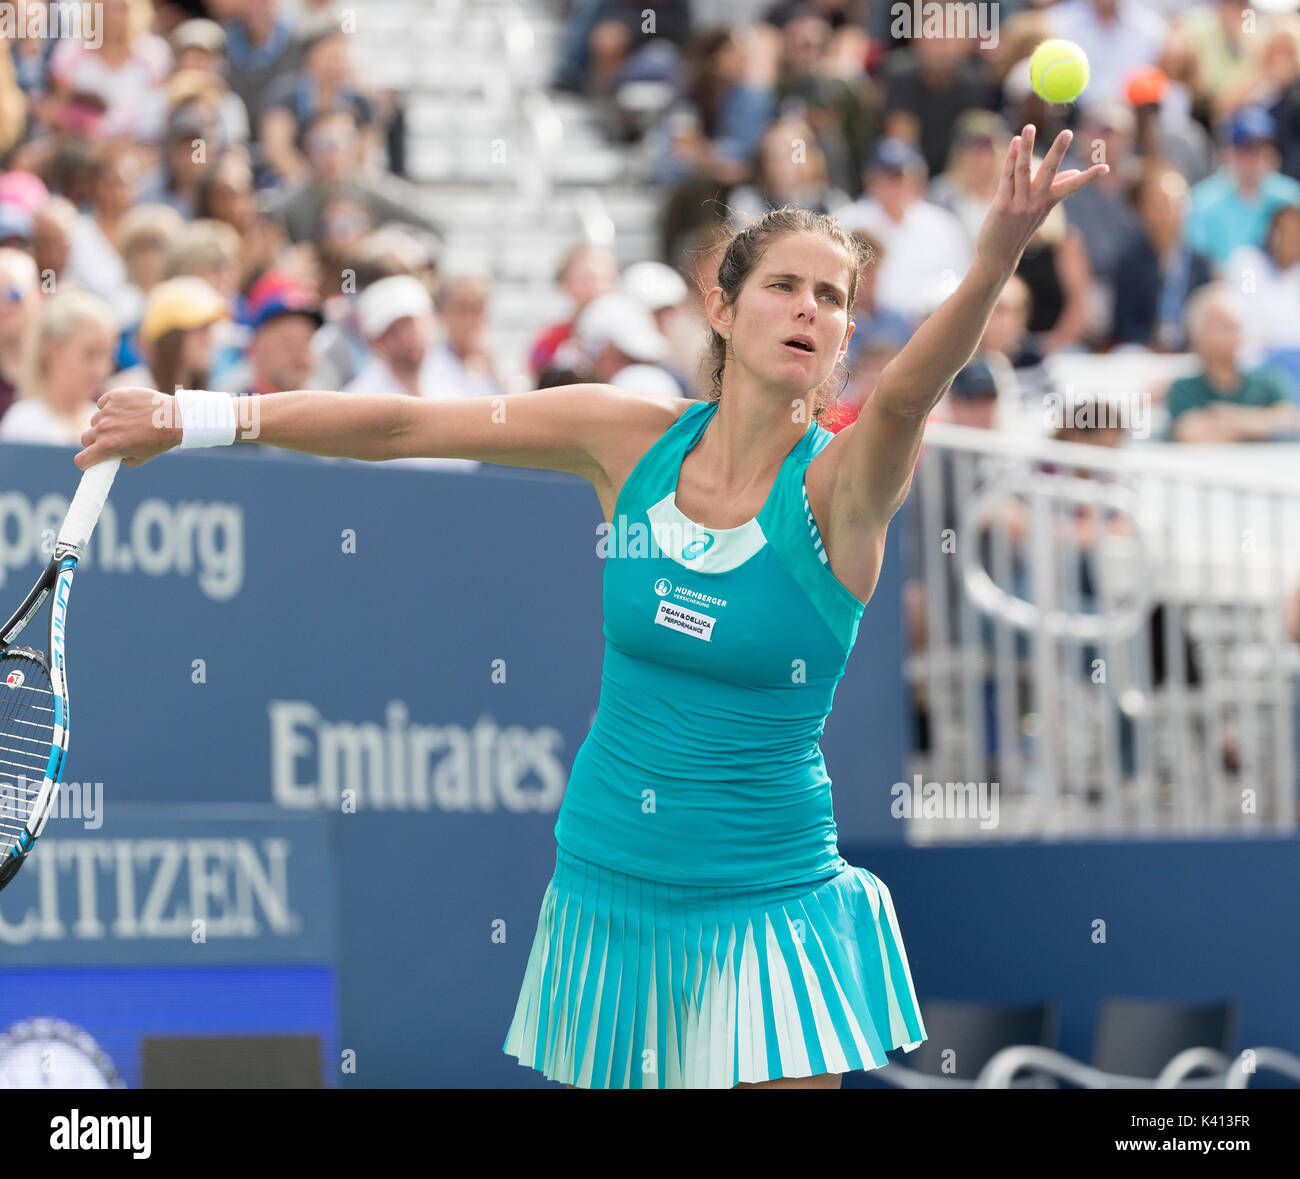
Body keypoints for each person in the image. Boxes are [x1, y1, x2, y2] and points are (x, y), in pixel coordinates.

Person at [73, 124, 1108, 1089]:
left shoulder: (843, 487)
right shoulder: (623, 437)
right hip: (609, 882)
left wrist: (995, 257)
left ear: (843, 335)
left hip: (769, 895)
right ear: (722, 307)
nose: (807, 309)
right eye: (784, 286)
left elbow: (907, 394)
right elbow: (400, 424)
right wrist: (194, 415)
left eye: (832, 299)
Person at [1164, 283, 1300, 442]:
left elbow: (1291, 422)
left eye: (1236, 326)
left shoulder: (1269, 381)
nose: (1234, 333)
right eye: (1222, 326)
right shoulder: (1184, 389)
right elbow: (1192, 434)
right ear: (1197, 335)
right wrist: (1264, 422)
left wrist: (1225, 416)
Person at [1, 288, 116, 445]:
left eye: (106, 355)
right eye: (89, 354)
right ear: (53, 351)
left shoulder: (105, 423)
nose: (100, 370)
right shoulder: (24, 423)